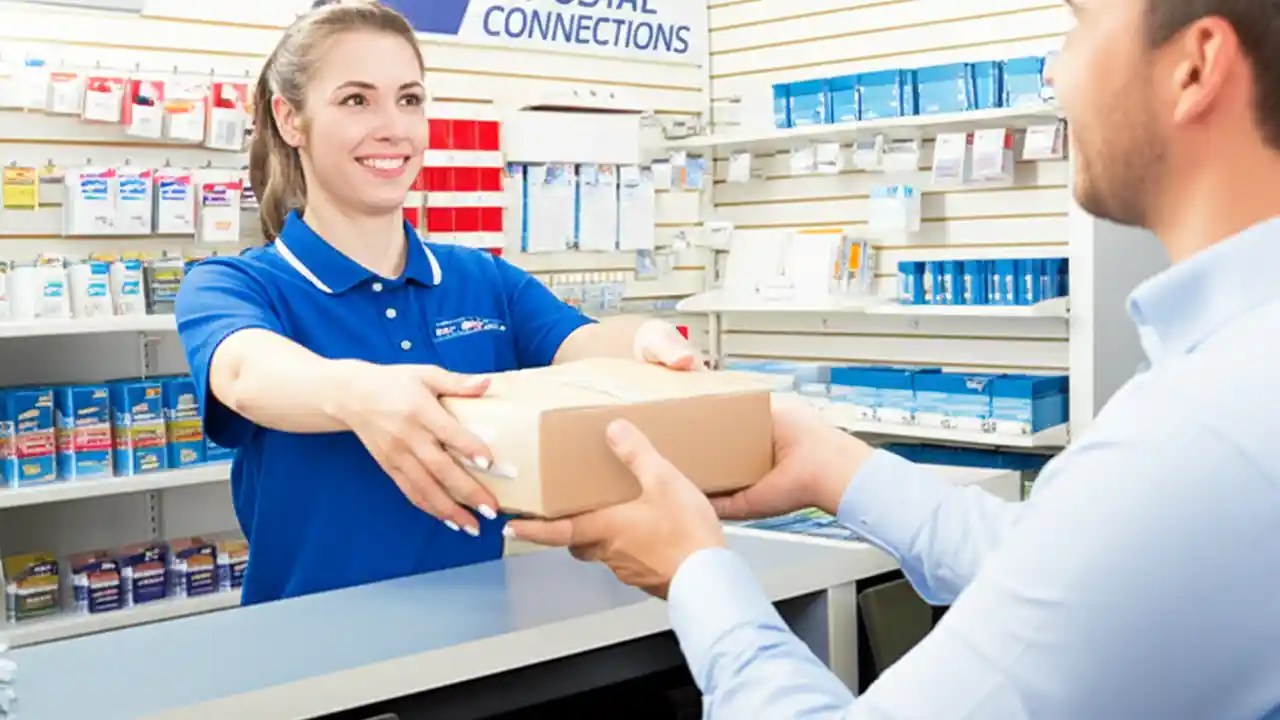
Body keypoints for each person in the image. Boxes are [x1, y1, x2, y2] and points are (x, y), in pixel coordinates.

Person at [508, 0, 1280, 716]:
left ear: (1195, 66)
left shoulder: (1202, 432)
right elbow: (1081, 571)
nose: (1053, 72)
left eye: (1079, 26)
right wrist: (834, 468)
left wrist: (693, 571)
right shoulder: (1233, 379)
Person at [174, 1, 700, 606]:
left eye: (410, 99)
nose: (393, 127)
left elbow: (579, 342)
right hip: (311, 643)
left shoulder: (482, 278)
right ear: (291, 119)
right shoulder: (234, 285)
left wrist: (642, 340)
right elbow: (245, 374)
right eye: (356, 100)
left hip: (478, 636)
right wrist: (361, 396)